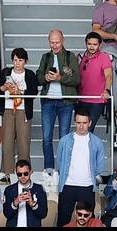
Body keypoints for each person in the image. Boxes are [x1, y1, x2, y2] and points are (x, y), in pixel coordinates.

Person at [0, 48, 38, 180]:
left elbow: (34, 92)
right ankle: (6, 175)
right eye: (15, 60)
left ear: (26, 61)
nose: (17, 63)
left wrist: (20, 92)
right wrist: (5, 87)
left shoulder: (29, 74)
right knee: (7, 142)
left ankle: (24, 175)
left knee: (23, 143)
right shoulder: (6, 72)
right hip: (8, 108)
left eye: (20, 60)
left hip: (23, 110)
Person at [35, 30, 79, 176]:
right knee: (46, 137)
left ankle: (63, 169)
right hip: (48, 101)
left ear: (63, 40)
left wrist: (60, 77)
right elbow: (38, 77)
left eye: (57, 42)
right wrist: (45, 78)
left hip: (65, 102)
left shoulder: (70, 56)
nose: (54, 45)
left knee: (64, 138)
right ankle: (49, 170)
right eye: (52, 42)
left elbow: (76, 80)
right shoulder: (45, 57)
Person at [55, 110, 104, 227]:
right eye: (78, 122)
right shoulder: (64, 141)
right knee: (63, 220)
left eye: (84, 123)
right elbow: (60, 163)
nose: (81, 126)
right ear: (74, 123)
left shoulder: (97, 142)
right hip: (67, 185)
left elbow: (100, 166)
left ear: (90, 123)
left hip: (87, 186)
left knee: (88, 222)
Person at [3, 159, 48, 227]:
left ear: (31, 172)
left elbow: (43, 214)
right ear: (16, 173)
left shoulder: (39, 189)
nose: (23, 176)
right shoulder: (9, 190)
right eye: (19, 174)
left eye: (26, 173)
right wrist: (15, 202)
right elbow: (7, 214)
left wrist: (32, 204)